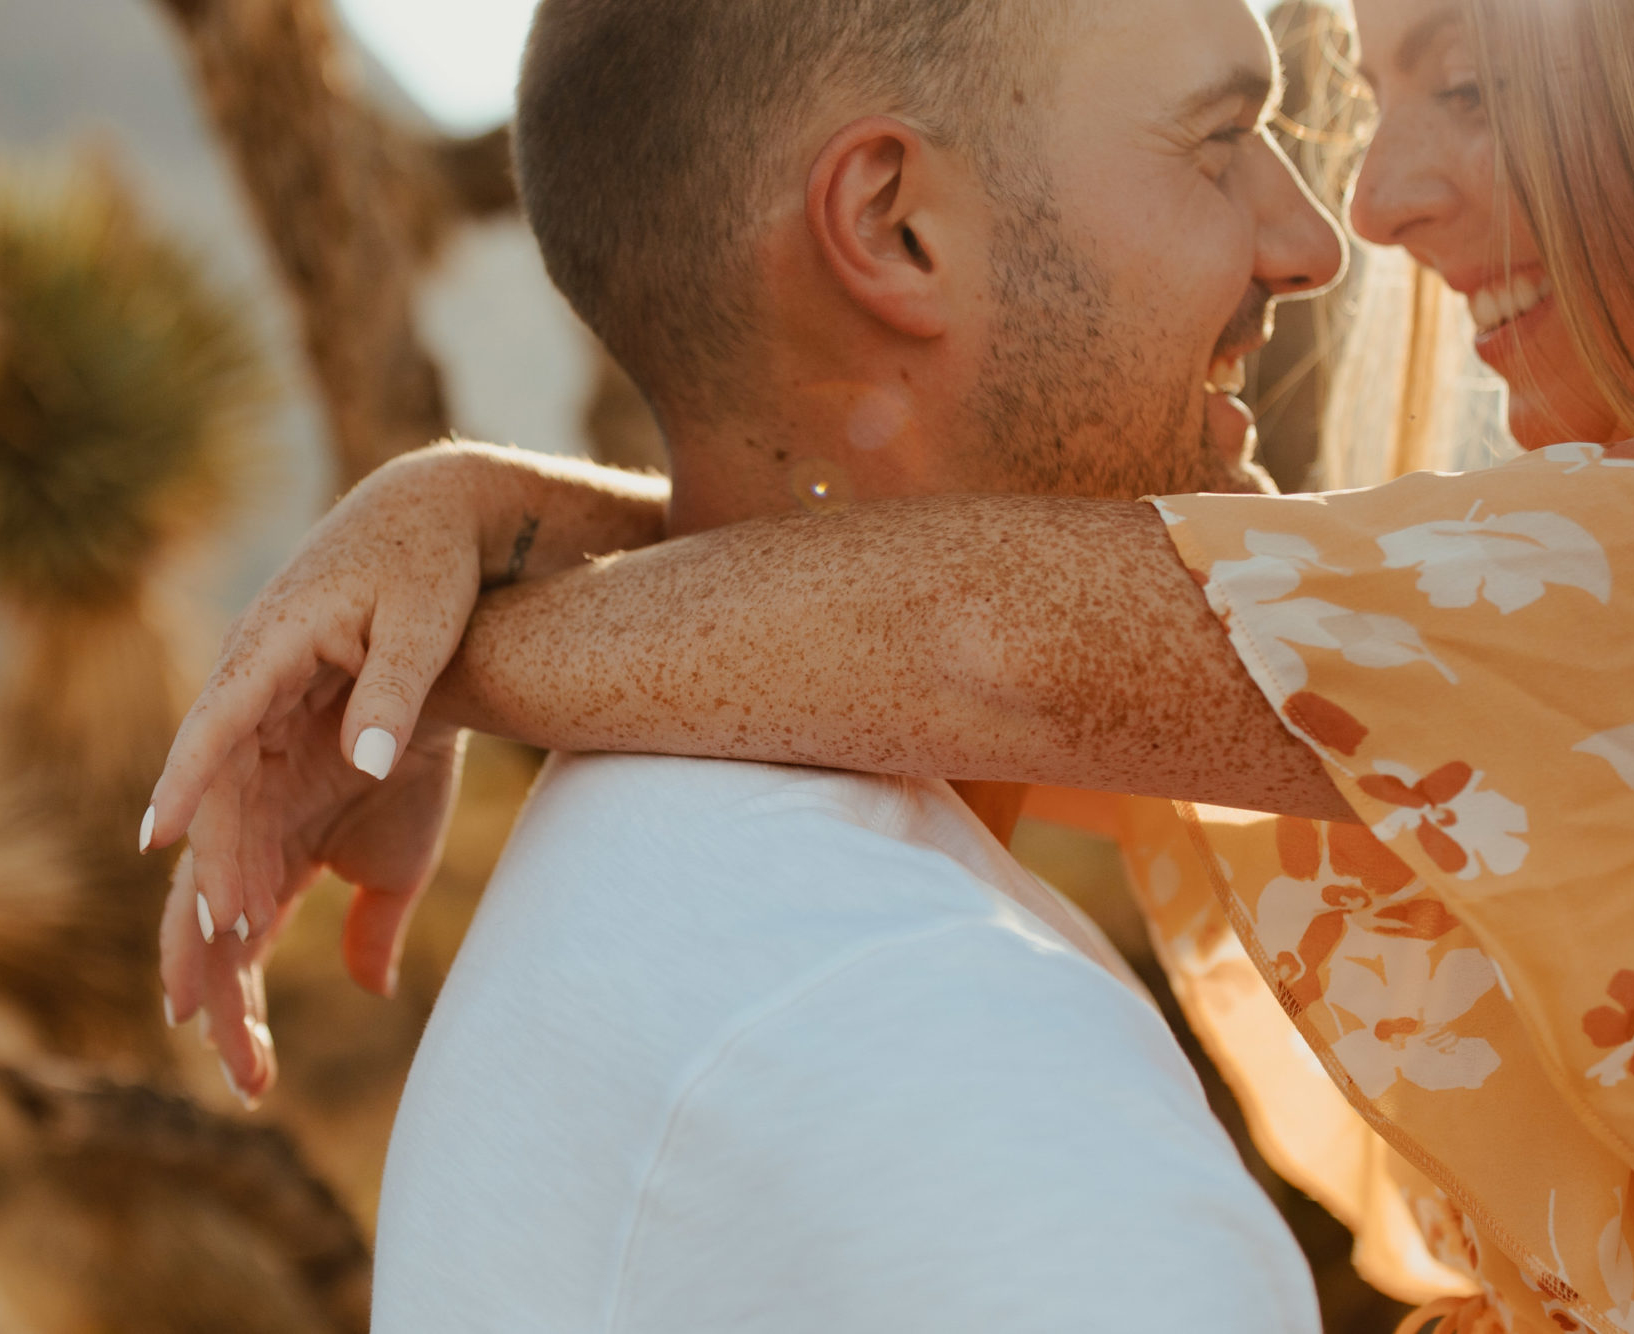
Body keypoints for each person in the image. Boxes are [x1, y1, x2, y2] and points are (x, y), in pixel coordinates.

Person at [147, 0, 1634, 1328]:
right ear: (890, 232)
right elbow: (1039, 624)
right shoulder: (1526, 661)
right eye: (1221, 141)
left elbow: (1006, 640)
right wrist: (452, 541)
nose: (1354, 222)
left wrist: (438, 636)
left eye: (1472, 85)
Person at [182, 0, 1348, 1328]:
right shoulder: (960, 1078)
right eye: (1220, 139)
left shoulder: (675, 880)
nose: (1312, 241)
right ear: (894, 226)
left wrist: (477, 579)